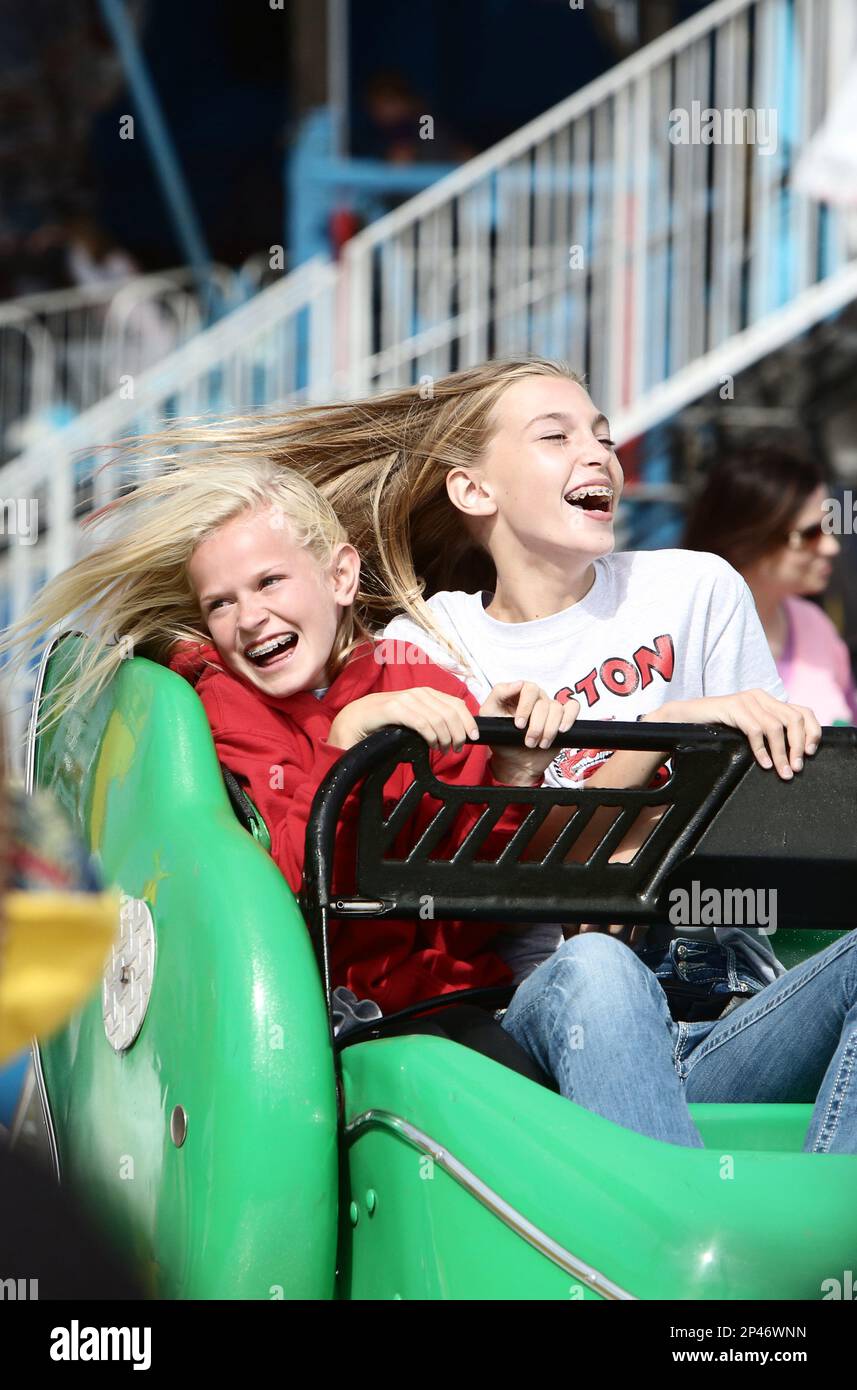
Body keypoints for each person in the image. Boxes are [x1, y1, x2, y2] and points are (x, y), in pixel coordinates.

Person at [162, 352, 857, 1155]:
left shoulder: (696, 589)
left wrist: (660, 771)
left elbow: (760, 830)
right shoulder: (431, 647)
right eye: (554, 437)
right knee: (597, 961)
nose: (596, 454)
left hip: (723, 1008)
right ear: (472, 490)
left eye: (600, 434)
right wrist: (666, 737)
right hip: (562, 1020)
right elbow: (525, 867)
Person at [0, 455, 577, 1028]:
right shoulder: (222, 717)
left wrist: (513, 772)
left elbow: (474, 908)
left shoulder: (420, 679)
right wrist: (347, 744)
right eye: (220, 603)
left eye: (269, 582)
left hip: (459, 1001)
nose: (249, 617)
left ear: (340, 577)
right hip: (324, 1024)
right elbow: (283, 909)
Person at [684, 444, 857, 726]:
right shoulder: (677, 643)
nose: (831, 547)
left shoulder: (816, 625)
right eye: (810, 534)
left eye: (830, 527)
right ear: (747, 537)